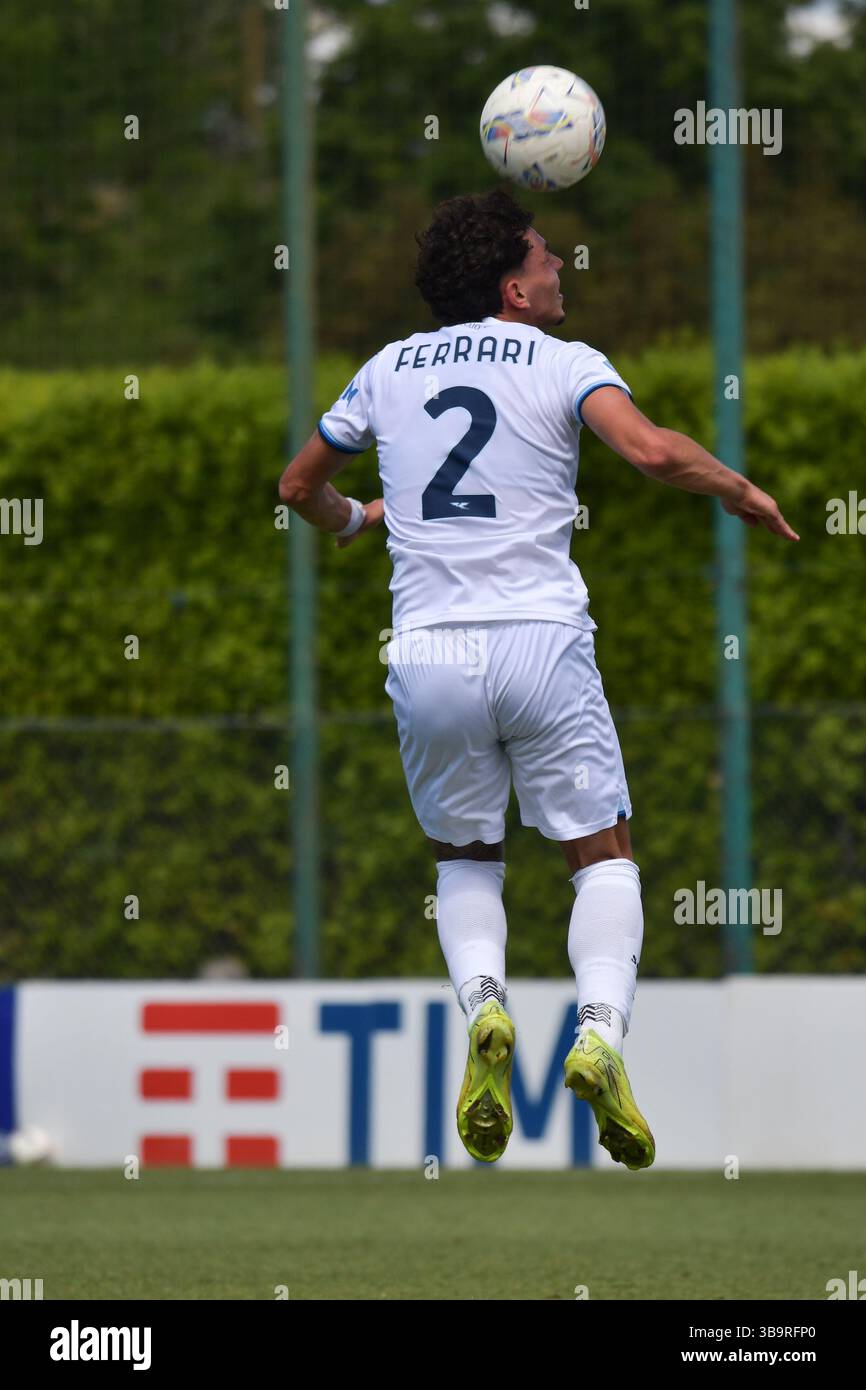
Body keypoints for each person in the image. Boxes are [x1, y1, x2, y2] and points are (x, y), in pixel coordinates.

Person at [278, 188, 798, 1170]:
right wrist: (735, 487)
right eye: (547, 255)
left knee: (463, 856)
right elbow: (647, 451)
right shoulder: (563, 362)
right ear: (512, 288)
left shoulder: (385, 369)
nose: (563, 265)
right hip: (539, 640)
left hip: (426, 648)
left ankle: (486, 1013)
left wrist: (353, 523)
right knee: (600, 856)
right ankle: (597, 1033)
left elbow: (296, 486)